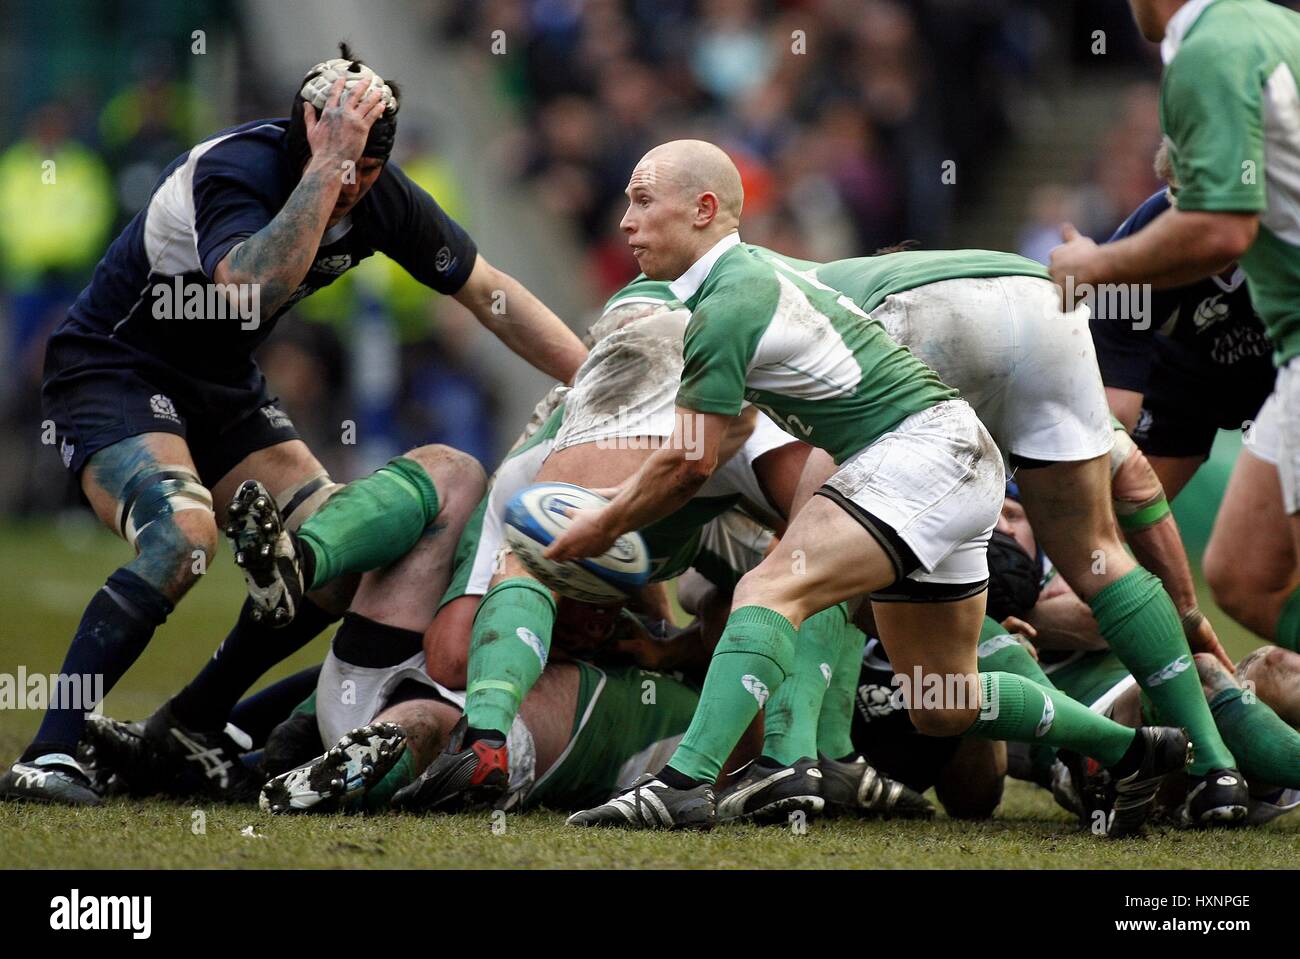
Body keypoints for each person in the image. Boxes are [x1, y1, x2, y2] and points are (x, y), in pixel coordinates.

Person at [0, 44, 587, 806]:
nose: (352, 191)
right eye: (342, 167)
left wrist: (601, 383)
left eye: (368, 174)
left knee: (344, 554)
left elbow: (490, 293)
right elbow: (251, 289)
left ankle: (197, 719)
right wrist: (328, 166)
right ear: (302, 137)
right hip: (116, 368)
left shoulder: (379, 194)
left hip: (222, 388)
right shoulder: (238, 170)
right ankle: (48, 752)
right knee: (184, 537)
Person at [549, 139, 1189, 836]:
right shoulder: (741, 283)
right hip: (950, 454)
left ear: (705, 210)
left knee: (769, 587)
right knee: (940, 699)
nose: (625, 221)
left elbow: (690, 462)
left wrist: (605, 524)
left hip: (920, 453)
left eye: (643, 201)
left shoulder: (729, 296)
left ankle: (683, 783)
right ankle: (1134, 751)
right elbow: (716, 439)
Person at [1050, 0, 1300, 662]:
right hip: (1203, 380)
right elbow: (1115, 419)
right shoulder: (1273, 27)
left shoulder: (1209, 48)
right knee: (1243, 576)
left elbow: (1222, 228)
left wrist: (1091, 265)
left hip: (1290, 354)